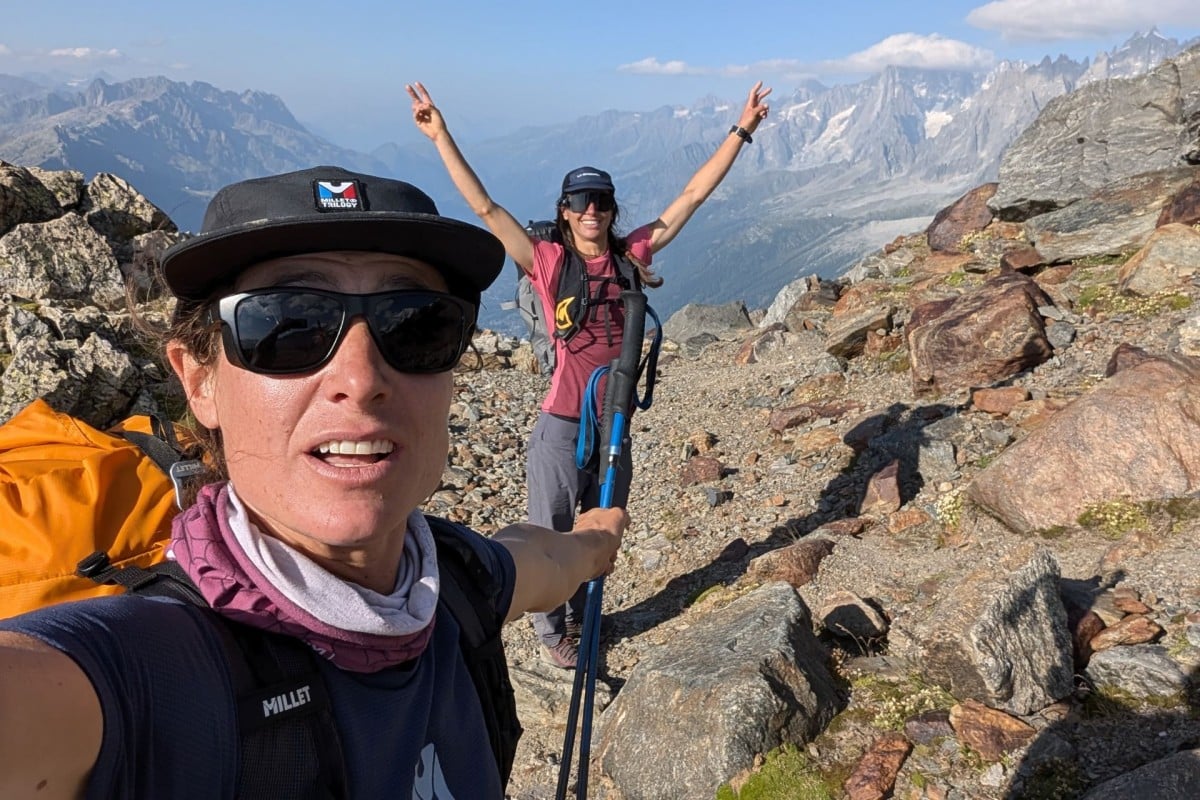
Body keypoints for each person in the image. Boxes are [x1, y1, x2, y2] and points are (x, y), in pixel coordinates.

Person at [0, 166, 627, 799]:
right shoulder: (150, 674)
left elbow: (547, 556)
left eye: (416, 324)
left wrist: (600, 536)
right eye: (285, 326)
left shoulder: (456, 581)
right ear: (200, 382)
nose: (360, 377)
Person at [406, 79, 771, 669]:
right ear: (564, 212)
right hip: (562, 419)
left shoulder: (633, 256)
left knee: (602, 526)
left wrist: (742, 129)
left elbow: (692, 196)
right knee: (548, 529)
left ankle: (584, 616)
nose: (592, 211)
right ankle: (555, 638)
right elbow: (485, 209)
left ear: (611, 208)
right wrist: (440, 134)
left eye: (601, 201)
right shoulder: (550, 263)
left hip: (614, 421)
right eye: (580, 202)